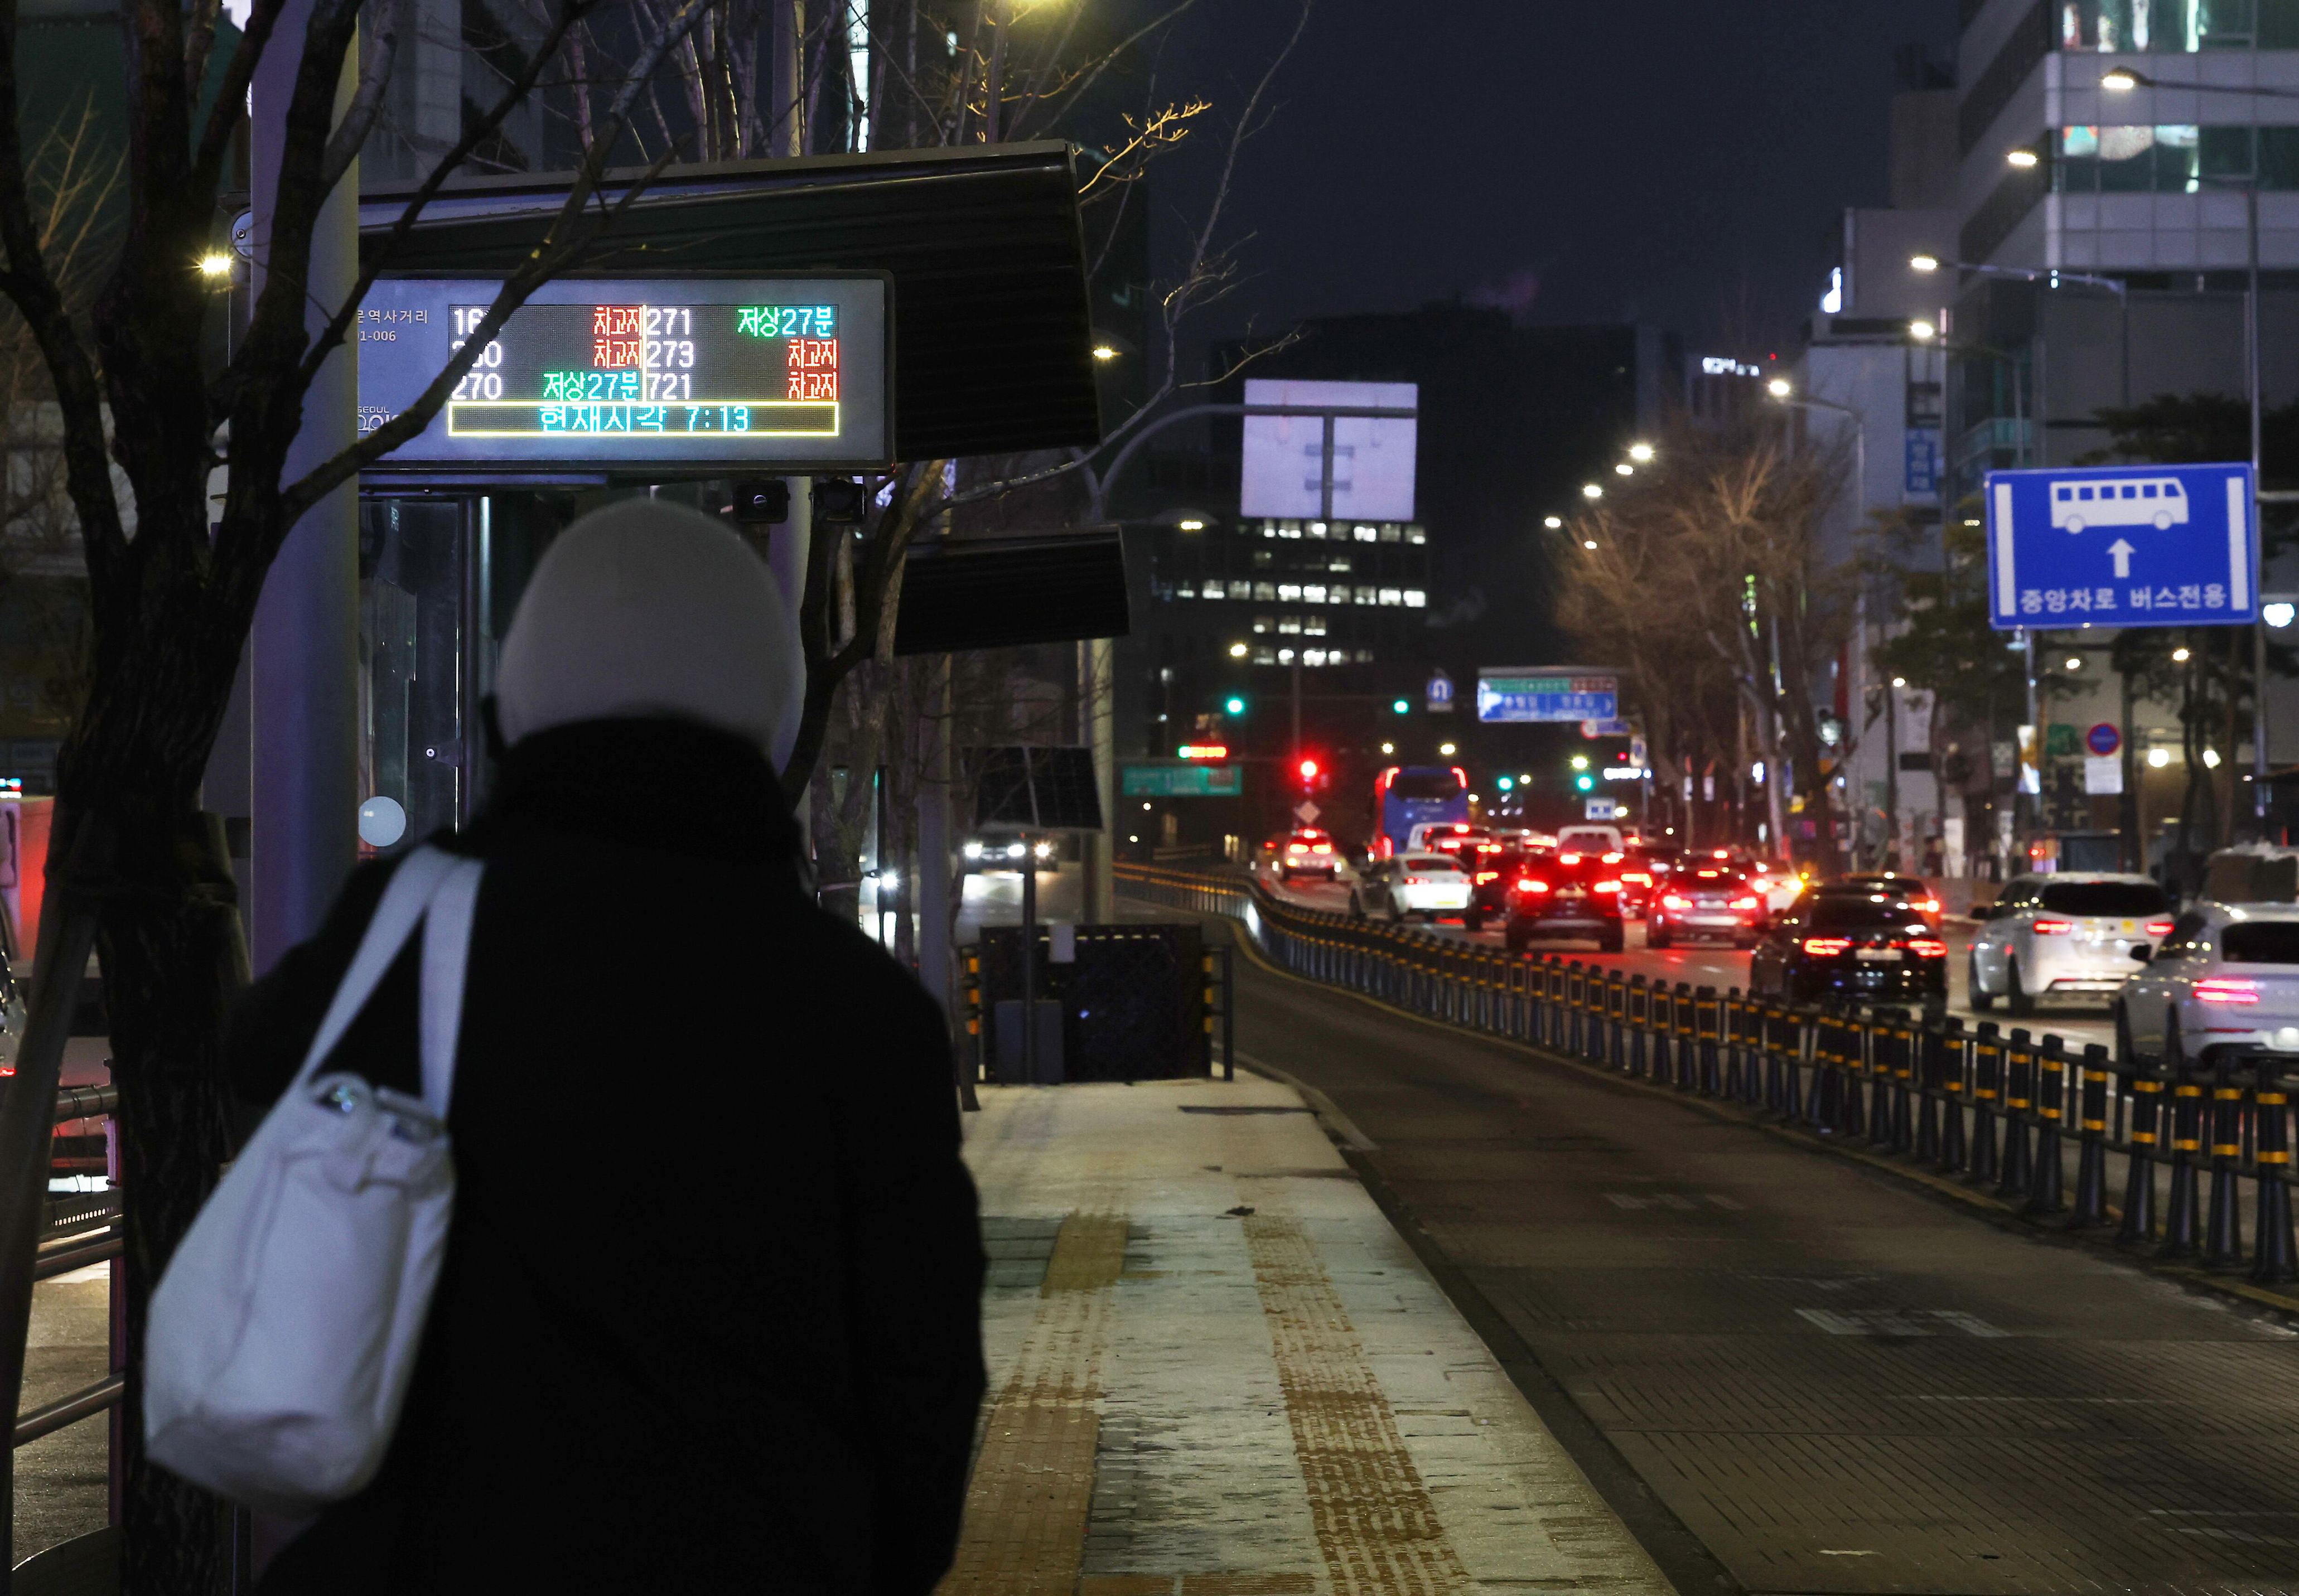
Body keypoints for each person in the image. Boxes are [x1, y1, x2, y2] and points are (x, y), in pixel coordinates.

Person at [220, 500, 985, 1594]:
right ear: (768, 712)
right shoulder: (864, 1014)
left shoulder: (418, 933)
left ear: (518, 706)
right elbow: (922, 1374)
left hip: (427, 1558)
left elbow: (254, 1057)